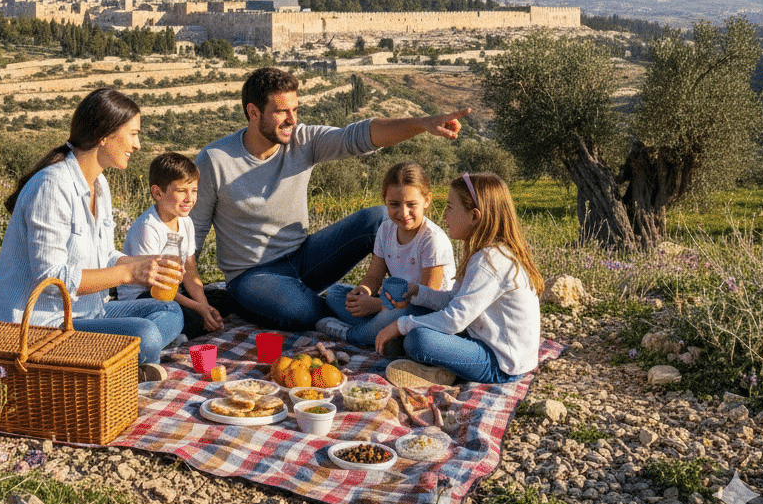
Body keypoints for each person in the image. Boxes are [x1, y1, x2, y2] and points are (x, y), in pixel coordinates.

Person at [190, 66, 470, 331]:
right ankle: (373, 311)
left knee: (379, 218)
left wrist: (422, 124)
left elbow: (358, 136)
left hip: (305, 257)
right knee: (300, 311)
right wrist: (198, 302)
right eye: (282, 112)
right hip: (252, 276)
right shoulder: (215, 160)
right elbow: (192, 235)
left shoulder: (301, 140)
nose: (292, 120)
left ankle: (401, 301)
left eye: (295, 110)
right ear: (253, 112)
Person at [0, 88, 185, 381]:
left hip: (88, 315)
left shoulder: (99, 185)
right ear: (104, 135)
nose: (137, 145)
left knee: (169, 311)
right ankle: (121, 372)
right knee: (146, 334)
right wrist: (130, 274)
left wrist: (145, 264)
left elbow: (104, 257)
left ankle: (116, 368)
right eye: (133, 134)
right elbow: (51, 279)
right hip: (39, 328)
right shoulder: (52, 186)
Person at [374, 171, 544, 387]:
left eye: (450, 207)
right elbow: (453, 300)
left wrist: (402, 324)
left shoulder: (490, 261)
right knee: (414, 328)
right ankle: (438, 370)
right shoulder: (483, 253)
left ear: (474, 216)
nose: (444, 214)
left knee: (419, 339)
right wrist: (418, 292)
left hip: (502, 364)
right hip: (480, 340)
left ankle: (442, 370)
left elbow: (454, 320)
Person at [316, 161, 455, 349]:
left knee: (397, 316)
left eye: (411, 204)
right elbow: (374, 276)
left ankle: (350, 334)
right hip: (389, 303)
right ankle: (383, 335)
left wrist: (377, 305)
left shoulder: (432, 239)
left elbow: (427, 298)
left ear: (427, 200)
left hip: (421, 312)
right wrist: (363, 292)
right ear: (385, 200)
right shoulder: (386, 230)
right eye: (394, 204)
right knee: (336, 293)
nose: (403, 213)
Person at [118, 152, 238, 339]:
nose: (190, 198)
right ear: (158, 193)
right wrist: (198, 309)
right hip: (145, 297)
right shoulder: (148, 227)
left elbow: (190, 271)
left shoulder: (186, 222)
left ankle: (187, 327)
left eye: (194, 190)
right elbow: (155, 286)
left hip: (173, 293)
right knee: (190, 317)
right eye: (182, 191)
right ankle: (176, 333)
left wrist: (205, 307)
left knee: (227, 300)